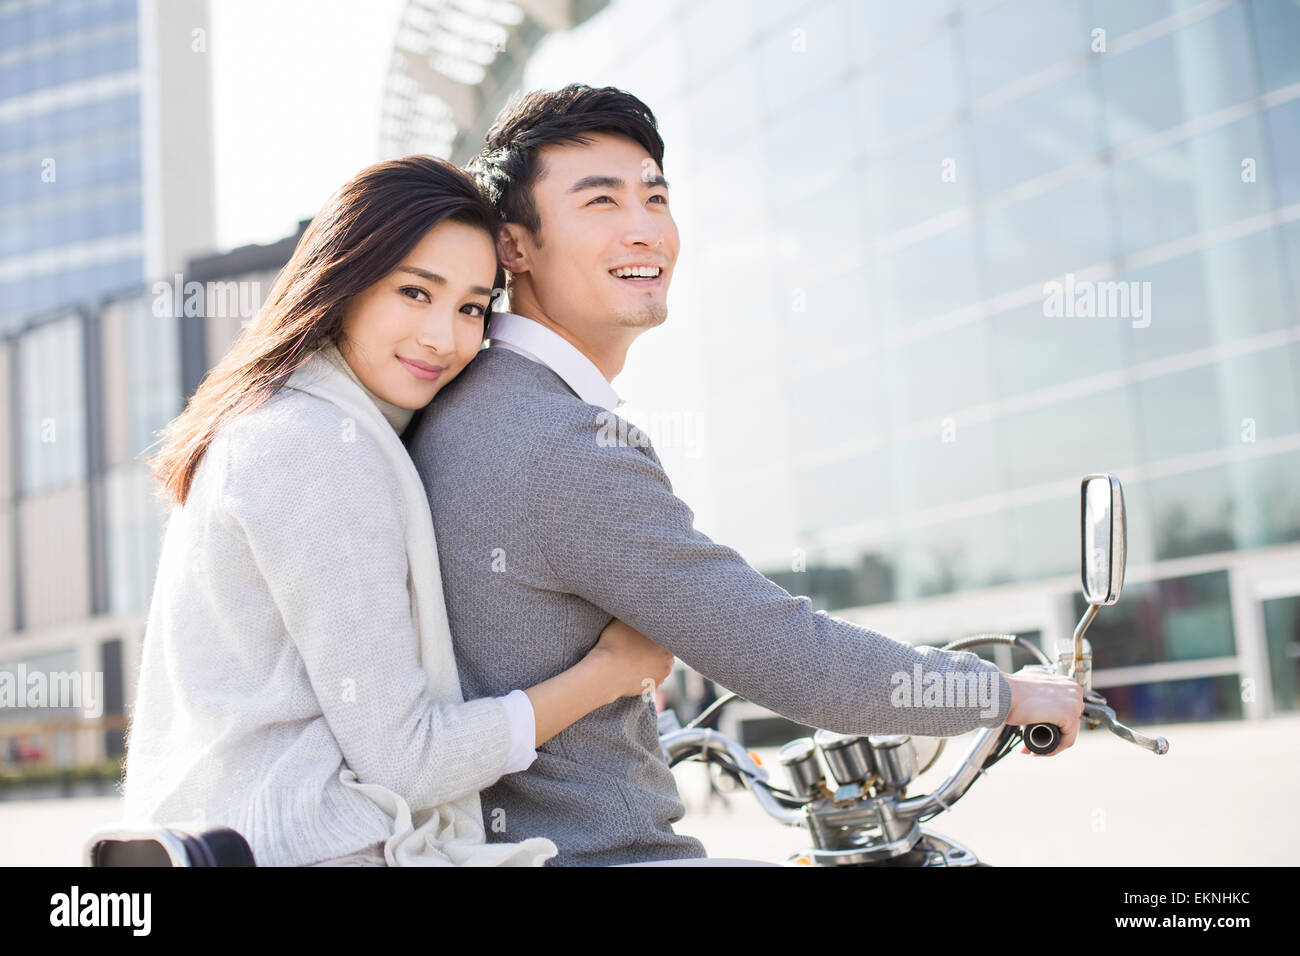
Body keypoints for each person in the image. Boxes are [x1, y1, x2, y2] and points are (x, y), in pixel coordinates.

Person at [409, 84, 1087, 866]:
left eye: (655, 198)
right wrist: (1003, 693)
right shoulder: (561, 443)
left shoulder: (470, 402)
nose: (644, 229)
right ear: (515, 246)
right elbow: (783, 653)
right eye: (600, 202)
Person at [120, 155, 676, 867]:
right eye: (415, 293)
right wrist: (609, 672)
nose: (443, 338)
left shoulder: (288, 423)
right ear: (344, 281)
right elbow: (408, 761)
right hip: (315, 849)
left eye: (472, 308)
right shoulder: (317, 447)